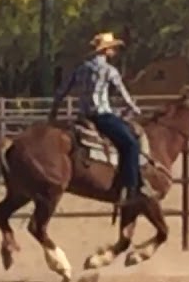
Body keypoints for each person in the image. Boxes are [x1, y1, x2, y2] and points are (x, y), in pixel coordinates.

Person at [50, 31, 154, 205]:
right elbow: (123, 93)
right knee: (130, 143)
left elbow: (62, 90)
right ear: (106, 51)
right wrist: (134, 108)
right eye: (112, 48)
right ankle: (131, 187)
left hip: (83, 116)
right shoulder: (108, 70)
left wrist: (54, 110)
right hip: (102, 115)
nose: (114, 51)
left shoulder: (81, 68)